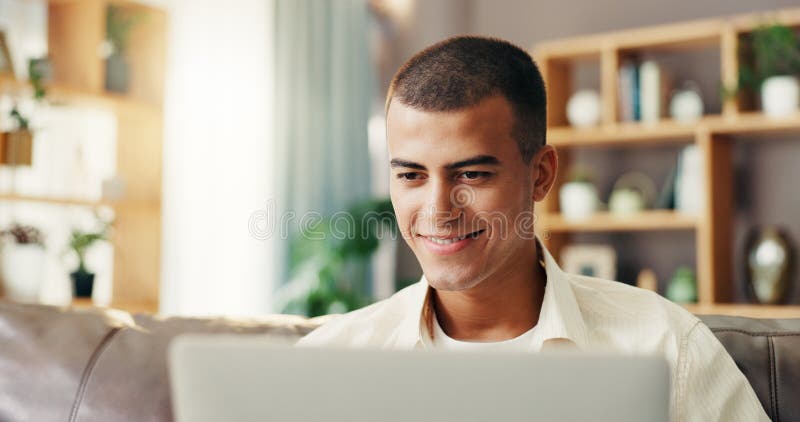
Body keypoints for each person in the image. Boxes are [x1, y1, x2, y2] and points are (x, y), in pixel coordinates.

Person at [296, 36, 769, 421]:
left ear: (540, 175)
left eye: (472, 175)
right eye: (411, 175)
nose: (438, 209)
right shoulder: (329, 360)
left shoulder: (666, 348)